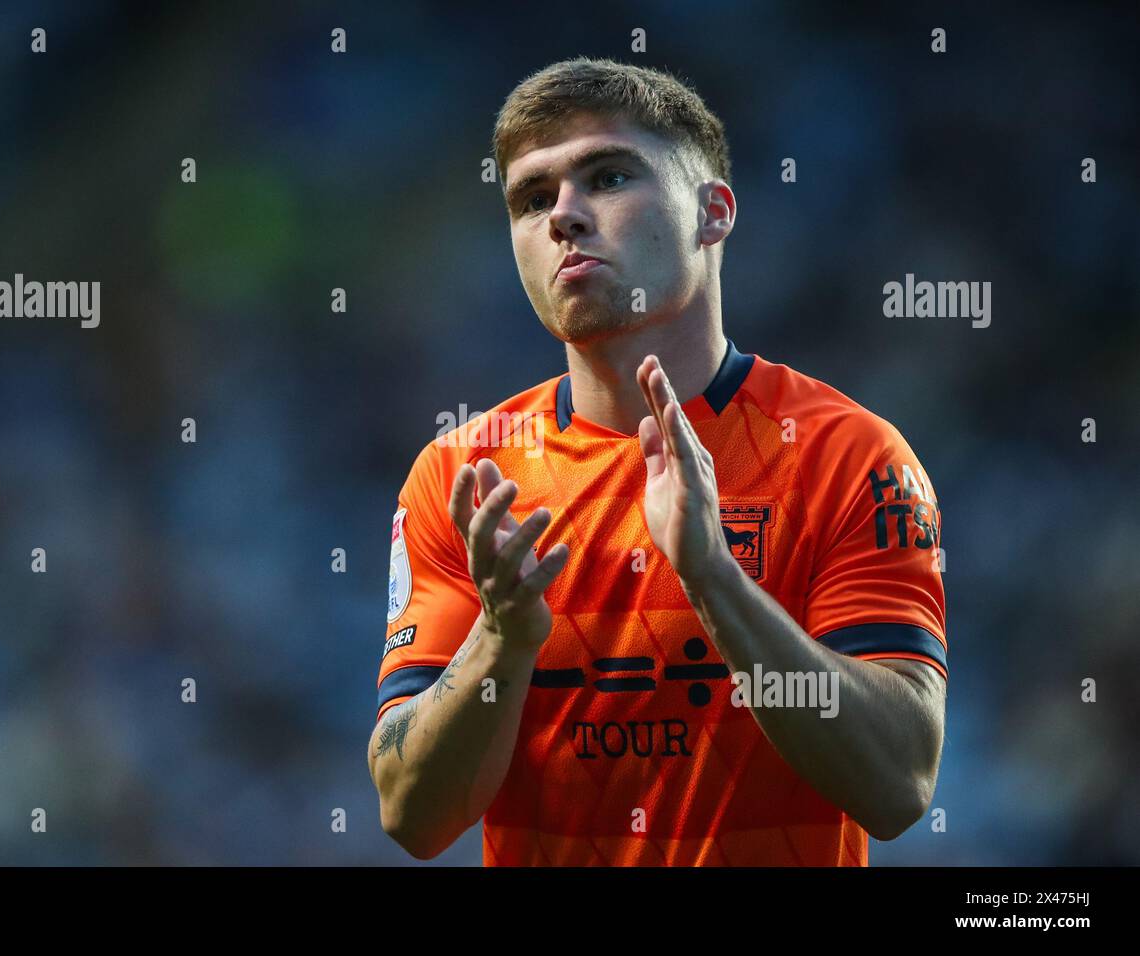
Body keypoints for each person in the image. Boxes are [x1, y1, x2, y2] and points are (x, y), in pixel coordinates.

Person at [368, 57, 947, 866]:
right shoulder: (465, 477)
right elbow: (413, 818)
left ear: (713, 213)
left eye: (606, 176)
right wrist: (501, 640)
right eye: (532, 199)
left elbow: (898, 787)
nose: (563, 216)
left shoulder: (847, 455)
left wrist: (714, 578)